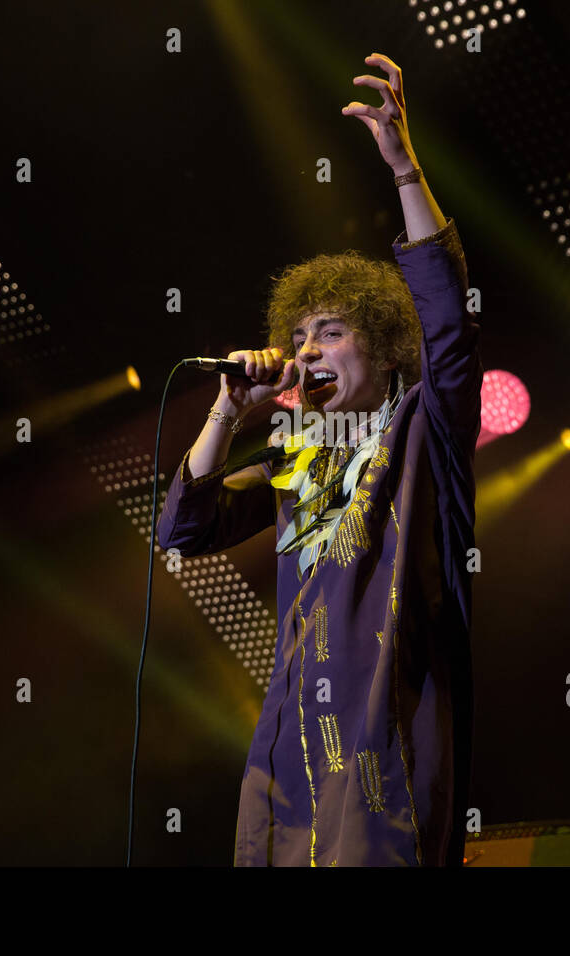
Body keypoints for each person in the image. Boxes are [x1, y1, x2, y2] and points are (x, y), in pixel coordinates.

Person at [157, 52, 481, 866]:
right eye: (299, 336)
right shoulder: (301, 456)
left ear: (384, 350)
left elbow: (447, 323)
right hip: (288, 750)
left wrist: (404, 169)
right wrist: (228, 409)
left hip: (383, 746)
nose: (306, 350)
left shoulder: (422, 427)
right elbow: (183, 529)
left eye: (330, 331)